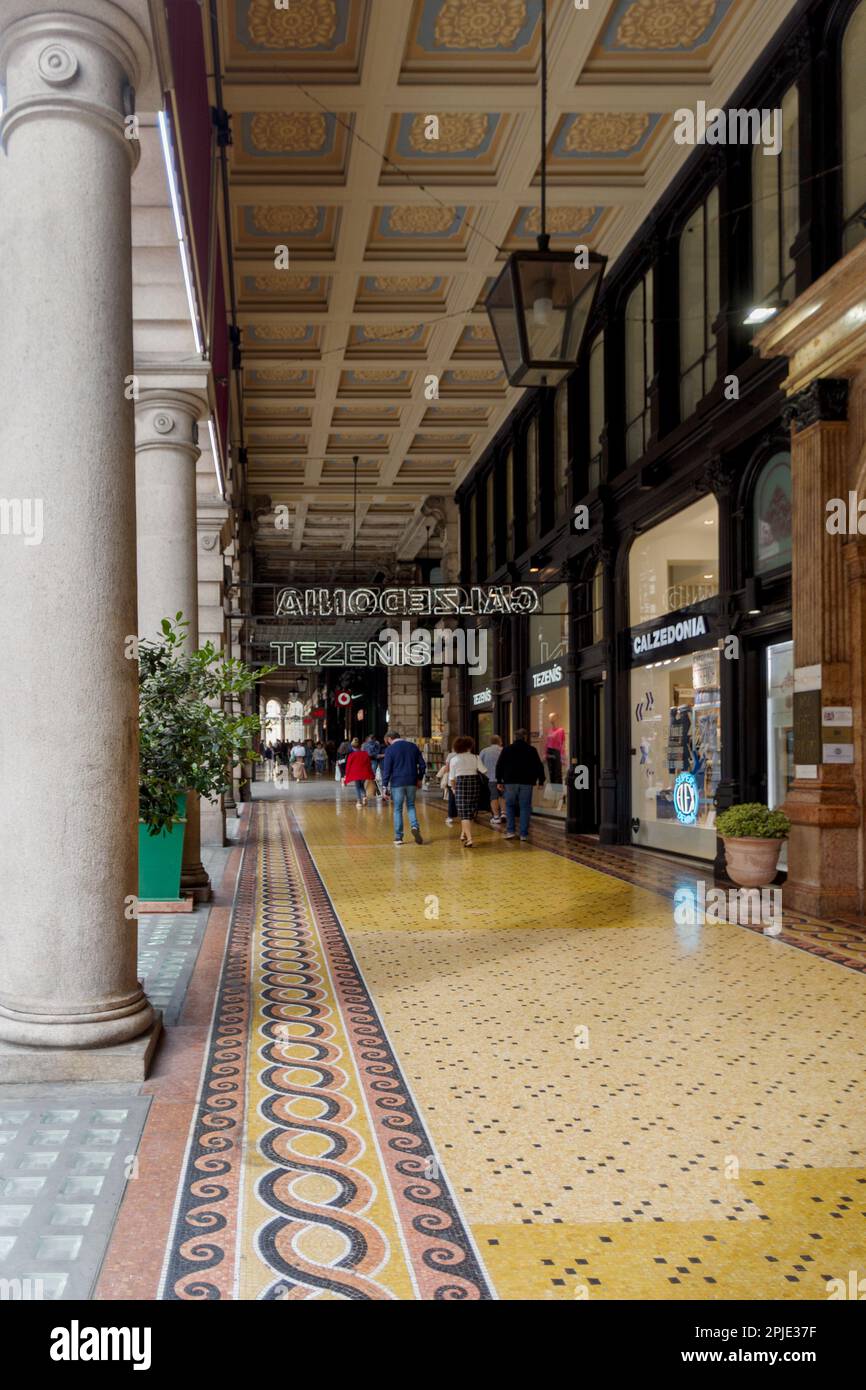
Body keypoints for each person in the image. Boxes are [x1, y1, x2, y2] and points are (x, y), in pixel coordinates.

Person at [496, 729, 545, 841]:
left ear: (515, 737)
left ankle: (510, 831)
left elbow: (500, 765)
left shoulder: (507, 749)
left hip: (510, 782)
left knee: (509, 806)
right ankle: (523, 834)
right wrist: (541, 780)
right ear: (526, 737)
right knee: (525, 807)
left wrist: (499, 780)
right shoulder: (531, 750)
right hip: (526, 782)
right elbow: (538, 766)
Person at [381, 729, 425, 846]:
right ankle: (415, 826)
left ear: (390, 739)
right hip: (411, 781)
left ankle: (398, 837)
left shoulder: (390, 750)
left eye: (387, 742)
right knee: (411, 806)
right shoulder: (413, 746)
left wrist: (384, 786)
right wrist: (419, 778)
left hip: (397, 782)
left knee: (398, 809)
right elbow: (422, 764)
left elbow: (387, 770)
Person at [448, 736, 487, 848]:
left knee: (463, 812)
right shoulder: (475, 757)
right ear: (469, 746)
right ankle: (463, 833)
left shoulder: (454, 759)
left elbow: (451, 778)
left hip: (460, 784)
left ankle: (469, 839)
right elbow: (484, 770)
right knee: (469, 811)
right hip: (474, 784)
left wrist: (453, 789)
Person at [479, 733, 504, 825]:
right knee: (503, 796)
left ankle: (496, 817)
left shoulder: (484, 751)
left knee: (494, 797)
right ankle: (504, 814)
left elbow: (479, 765)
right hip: (503, 778)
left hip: (490, 778)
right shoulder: (503, 750)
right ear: (499, 742)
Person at [344, 737, 374, 807]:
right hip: (364, 773)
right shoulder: (365, 754)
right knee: (361, 785)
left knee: (357, 787)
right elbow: (369, 764)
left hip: (356, 773)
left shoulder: (351, 755)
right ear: (360, 746)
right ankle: (364, 797)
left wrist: (346, 775)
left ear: (352, 746)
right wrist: (372, 774)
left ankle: (359, 801)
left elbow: (348, 766)